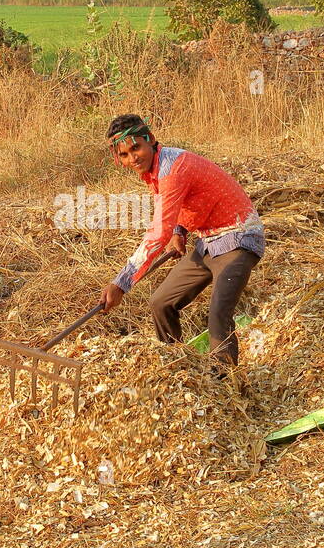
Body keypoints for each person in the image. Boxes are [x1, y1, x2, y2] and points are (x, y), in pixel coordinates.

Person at [99, 115, 265, 366]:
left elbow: (157, 234)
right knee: (161, 303)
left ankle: (226, 383)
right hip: (208, 242)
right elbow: (183, 203)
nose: (133, 158)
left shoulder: (173, 168)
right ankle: (176, 369)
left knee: (218, 312)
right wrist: (180, 230)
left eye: (136, 148)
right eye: (124, 155)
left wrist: (121, 283)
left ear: (151, 140)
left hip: (239, 237)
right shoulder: (157, 168)